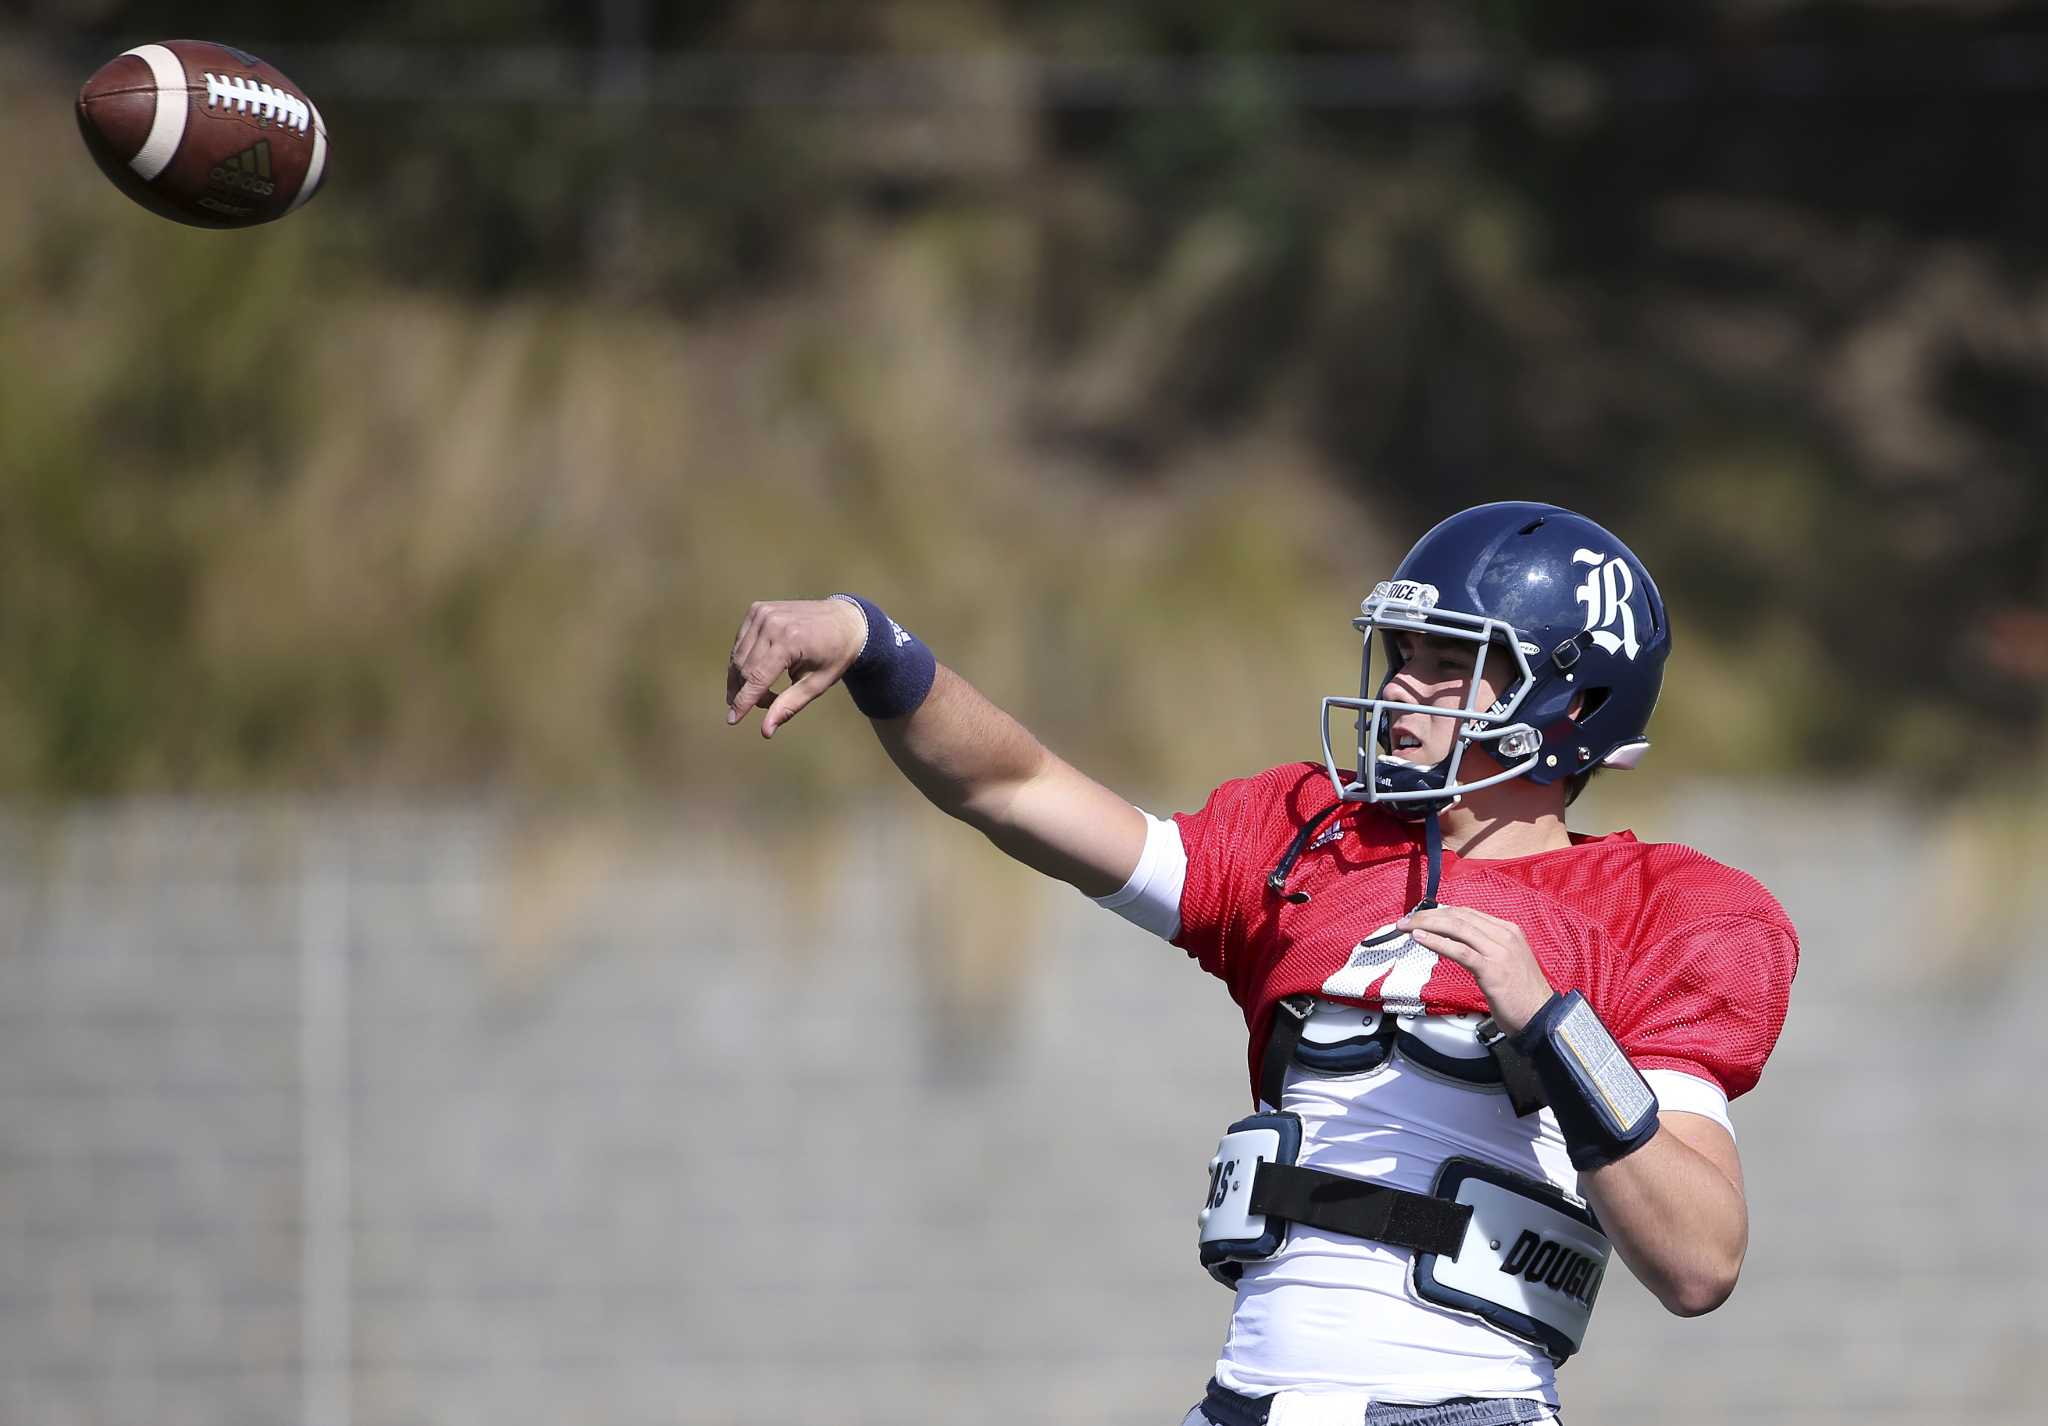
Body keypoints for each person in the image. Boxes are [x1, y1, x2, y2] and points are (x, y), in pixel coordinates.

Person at [724, 501, 1798, 1426]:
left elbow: (1700, 1258)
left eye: (1450, 665)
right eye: (1405, 656)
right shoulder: (1310, 839)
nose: (1405, 689)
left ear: (1562, 705)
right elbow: (1012, 790)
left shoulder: (1658, 912)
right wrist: (874, 644)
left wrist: (1552, 1026)